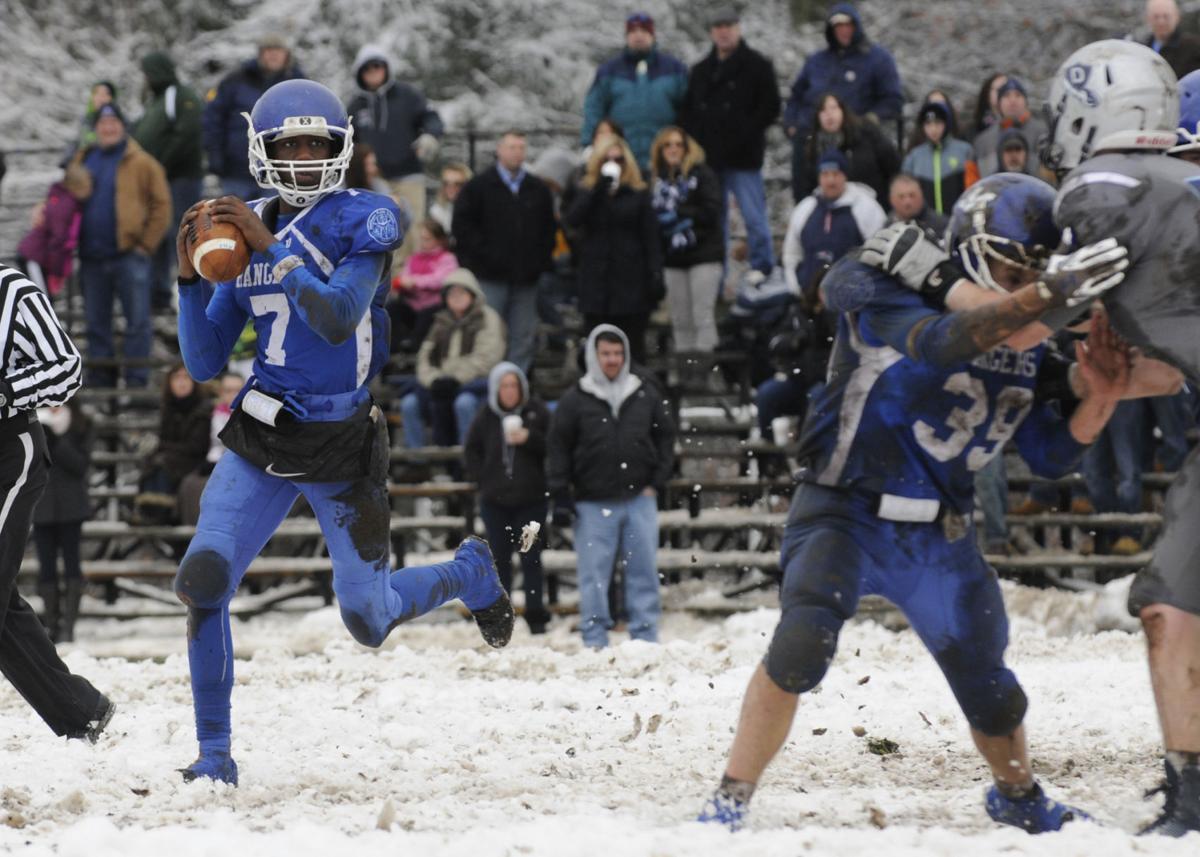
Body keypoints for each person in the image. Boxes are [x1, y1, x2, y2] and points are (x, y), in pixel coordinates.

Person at [697, 174, 1143, 833]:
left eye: (1034, 270)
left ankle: (1017, 796)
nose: (1020, 281)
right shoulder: (891, 290)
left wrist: (1099, 393)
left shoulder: (1027, 350)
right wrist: (1043, 297)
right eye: (1010, 264)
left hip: (938, 531)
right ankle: (729, 797)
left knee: (990, 685)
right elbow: (941, 339)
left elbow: (1051, 455)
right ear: (964, 248)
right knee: (801, 641)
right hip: (843, 506)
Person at [172, 80, 513, 786]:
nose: (300, 157)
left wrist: (272, 245)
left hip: (340, 438)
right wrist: (187, 283)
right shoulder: (243, 231)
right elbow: (205, 361)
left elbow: (334, 316)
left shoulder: (367, 217)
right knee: (202, 580)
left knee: (368, 618)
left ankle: (470, 572)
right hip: (264, 430)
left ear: (340, 149)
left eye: (314, 144)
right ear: (262, 151)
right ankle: (214, 755)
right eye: (287, 144)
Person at [1040, 41, 1200, 833]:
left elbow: (1055, 304)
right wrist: (1113, 381)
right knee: (1169, 604)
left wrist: (976, 319)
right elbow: (1174, 368)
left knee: (1172, 605)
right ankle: (1192, 794)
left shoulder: (1111, 184)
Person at [0, 264, 114, 742]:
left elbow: (65, 367)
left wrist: (5, 391)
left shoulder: (12, 290)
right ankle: (79, 711)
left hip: (8, 447)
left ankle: (79, 711)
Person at [547, 325, 674, 649]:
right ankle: (595, 639)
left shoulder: (645, 392)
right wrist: (561, 493)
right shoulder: (575, 399)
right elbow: (558, 448)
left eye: (618, 353)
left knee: (644, 571)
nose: (613, 360)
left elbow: (665, 436)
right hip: (591, 501)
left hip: (638, 497)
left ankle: (645, 636)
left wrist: (657, 481)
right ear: (593, 355)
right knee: (593, 576)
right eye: (606, 353)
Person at [68, 103, 171, 391]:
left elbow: (162, 205)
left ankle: (137, 381)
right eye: (103, 123)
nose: (109, 128)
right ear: (96, 128)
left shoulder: (141, 162)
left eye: (114, 123)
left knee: (137, 320)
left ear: (123, 127)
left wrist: (145, 245)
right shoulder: (84, 158)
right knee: (95, 321)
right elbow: (65, 196)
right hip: (91, 257)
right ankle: (102, 379)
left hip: (130, 255)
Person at [679, 6, 780, 274]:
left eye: (729, 26)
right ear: (712, 32)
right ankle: (716, 275)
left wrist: (745, 132)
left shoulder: (758, 66)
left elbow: (770, 107)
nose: (724, 32)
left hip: (744, 158)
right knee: (715, 222)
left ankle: (764, 271)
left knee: (754, 218)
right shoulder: (701, 70)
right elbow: (687, 112)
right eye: (718, 27)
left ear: (738, 29)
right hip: (710, 159)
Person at [452, 131, 556, 372]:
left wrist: (539, 261)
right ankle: (490, 384)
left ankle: (516, 383)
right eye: (511, 147)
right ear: (499, 149)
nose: (517, 152)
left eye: (521, 147)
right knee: (490, 332)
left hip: (526, 277)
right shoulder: (478, 187)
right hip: (490, 276)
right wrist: (483, 258)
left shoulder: (537, 188)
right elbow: (463, 228)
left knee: (523, 335)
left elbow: (549, 230)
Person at [464, 362, 553, 635]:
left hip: (531, 500)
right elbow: (471, 451)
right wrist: (484, 480)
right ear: (495, 389)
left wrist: (530, 438)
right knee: (499, 560)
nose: (510, 391)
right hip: (496, 502)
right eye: (504, 385)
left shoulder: (537, 412)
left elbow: (554, 446)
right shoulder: (485, 416)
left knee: (531, 559)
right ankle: (503, 618)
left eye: (514, 385)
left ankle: (536, 617)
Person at [564, 134, 663, 365]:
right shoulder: (587, 192)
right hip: (596, 284)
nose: (613, 164)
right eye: (607, 160)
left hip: (630, 283)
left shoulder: (638, 194)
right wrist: (597, 191)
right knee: (597, 346)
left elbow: (651, 238)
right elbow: (573, 220)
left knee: (632, 348)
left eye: (619, 160)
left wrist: (655, 273)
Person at [346, 44, 444, 261]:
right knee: (377, 229)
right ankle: (384, 280)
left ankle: (410, 283)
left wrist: (430, 136)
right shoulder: (355, 105)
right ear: (360, 73)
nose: (373, 71)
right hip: (375, 179)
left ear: (386, 68)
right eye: (367, 68)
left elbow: (431, 118)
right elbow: (348, 140)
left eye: (377, 66)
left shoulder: (408, 95)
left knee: (412, 230)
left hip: (408, 174)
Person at [401, 268, 506, 448]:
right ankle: (416, 462)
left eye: (461, 292)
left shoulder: (487, 318)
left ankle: (467, 458)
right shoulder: (440, 322)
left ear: (473, 293)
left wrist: (455, 379)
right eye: (451, 293)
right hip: (440, 384)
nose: (456, 297)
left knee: (463, 404)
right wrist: (434, 380)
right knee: (409, 404)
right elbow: (425, 357)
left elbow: (487, 358)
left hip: (476, 385)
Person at [133, 50, 205, 312]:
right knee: (161, 235)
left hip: (180, 179)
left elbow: (188, 134)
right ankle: (159, 297)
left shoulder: (180, 96)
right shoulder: (156, 101)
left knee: (185, 233)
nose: (145, 79)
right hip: (158, 182)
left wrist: (160, 164)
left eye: (148, 73)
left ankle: (198, 291)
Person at [580, 12, 688, 172]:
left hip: (664, 159)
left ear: (652, 35)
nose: (638, 36)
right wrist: (589, 143)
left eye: (644, 31)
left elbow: (689, 109)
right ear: (626, 36)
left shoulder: (674, 69)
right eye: (633, 32)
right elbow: (594, 108)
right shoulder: (609, 71)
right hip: (621, 160)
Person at [201, 34, 305, 199]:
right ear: (260, 54)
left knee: (274, 222)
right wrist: (215, 156)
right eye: (268, 50)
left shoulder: (299, 84)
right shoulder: (235, 81)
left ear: (287, 55)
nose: (273, 55)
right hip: (236, 171)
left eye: (278, 50)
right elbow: (213, 120)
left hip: (281, 171)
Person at [649, 126, 723, 355]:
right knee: (680, 318)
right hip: (672, 257)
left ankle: (706, 371)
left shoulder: (702, 175)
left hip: (703, 253)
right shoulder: (655, 182)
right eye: (667, 145)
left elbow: (711, 211)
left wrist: (681, 213)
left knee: (702, 314)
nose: (673, 149)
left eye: (678, 144)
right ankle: (684, 371)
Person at [783, 3, 903, 138]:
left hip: (856, 138)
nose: (844, 30)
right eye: (838, 26)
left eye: (848, 25)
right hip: (809, 136)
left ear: (856, 26)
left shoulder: (878, 59)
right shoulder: (816, 60)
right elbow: (796, 95)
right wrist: (791, 122)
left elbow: (893, 100)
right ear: (831, 29)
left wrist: (870, 119)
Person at [781, 149, 886, 296]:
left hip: (853, 298)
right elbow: (791, 253)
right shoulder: (805, 209)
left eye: (836, 174)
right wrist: (795, 287)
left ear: (845, 176)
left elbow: (880, 253)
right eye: (825, 175)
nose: (831, 181)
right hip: (810, 298)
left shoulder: (866, 208)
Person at [32, 400, 92, 644]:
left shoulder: (81, 423)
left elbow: (80, 465)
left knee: (71, 563)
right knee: (45, 566)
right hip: (41, 503)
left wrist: (56, 442)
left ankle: (69, 626)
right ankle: (52, 624)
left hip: (71, 505)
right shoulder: (31, 422)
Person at [135, 364, 213, 525]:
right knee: (151, 461)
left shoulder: (203, 409)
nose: (181, 382)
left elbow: (196, 446)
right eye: (177, 378)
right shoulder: (168, 408)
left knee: (162, 462)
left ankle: (161, 512)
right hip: (174, 457)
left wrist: (161, 447)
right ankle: (148, 510)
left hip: (196, 461)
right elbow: (165, 440)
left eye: (186, 377)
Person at [792, 92, 899, 204]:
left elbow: (893, 166)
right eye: (823, 110)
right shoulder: (812, 147)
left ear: (843, 110)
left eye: (833, 108)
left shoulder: (867, 134)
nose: (829, 114)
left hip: (874, 205)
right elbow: (804, 186)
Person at [178, 370, 244, 527]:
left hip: (241, 465)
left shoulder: (253, 416)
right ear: (221, 393)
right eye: (228, 390)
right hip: (211, 464)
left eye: (238, 391)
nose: (233, 395)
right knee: (190, 485)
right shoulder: (207, 414)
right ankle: (196, 534)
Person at [16, 163, 89, 296]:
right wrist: (57, 272)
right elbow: (58, 239)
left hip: (42, 258)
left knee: (43, 298)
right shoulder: (66, 206)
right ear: (77, 186)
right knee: (39, 298)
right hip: (35, 257)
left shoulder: (64, 201)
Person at [389, 218, 459, 353]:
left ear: (439, 240)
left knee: (426, 318)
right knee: (392, 309)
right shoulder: (414, 258)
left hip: (434, 306)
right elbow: (404, 276)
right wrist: (400, 284)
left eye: (427, 239)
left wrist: (415, 282)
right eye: (421, 239)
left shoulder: (447, 258)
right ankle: (391, 351)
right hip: (412, 304)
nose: (423, 243)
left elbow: (440, 280)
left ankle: (415, 351)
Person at [901, 100, 978, 216]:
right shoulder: (914, 156)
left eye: (937, 123)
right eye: (928, 124)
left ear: (946, 124)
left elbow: (974, 188)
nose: (933, 129)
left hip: (958, 219)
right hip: (925, 223)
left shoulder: (964, 150)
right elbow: (905, 190)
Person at [974, 78, 1048, 177]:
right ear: (999, 103)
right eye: (1006, 96)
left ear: (1026, 101)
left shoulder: (1044, 134)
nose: (1012, 101)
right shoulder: (983, 141)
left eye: (1018, 95)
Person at [1142, 0, 1200, 78]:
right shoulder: (1142, 48)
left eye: (1166, 16)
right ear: (1148, 18)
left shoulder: (1194, 48)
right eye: (1156, 17)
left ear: (1177, 16)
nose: (1161, 22)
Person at [429, 162, 471, 235]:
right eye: (446, 183)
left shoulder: (477, 211)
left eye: (458, 184)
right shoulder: (437, 211)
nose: (451, 188)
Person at [971, 72, 1009, 138]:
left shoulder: (1020, 125)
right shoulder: (973, 129)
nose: (1002, 93)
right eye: (998, 90)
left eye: (1006, 89)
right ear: (988, 93)